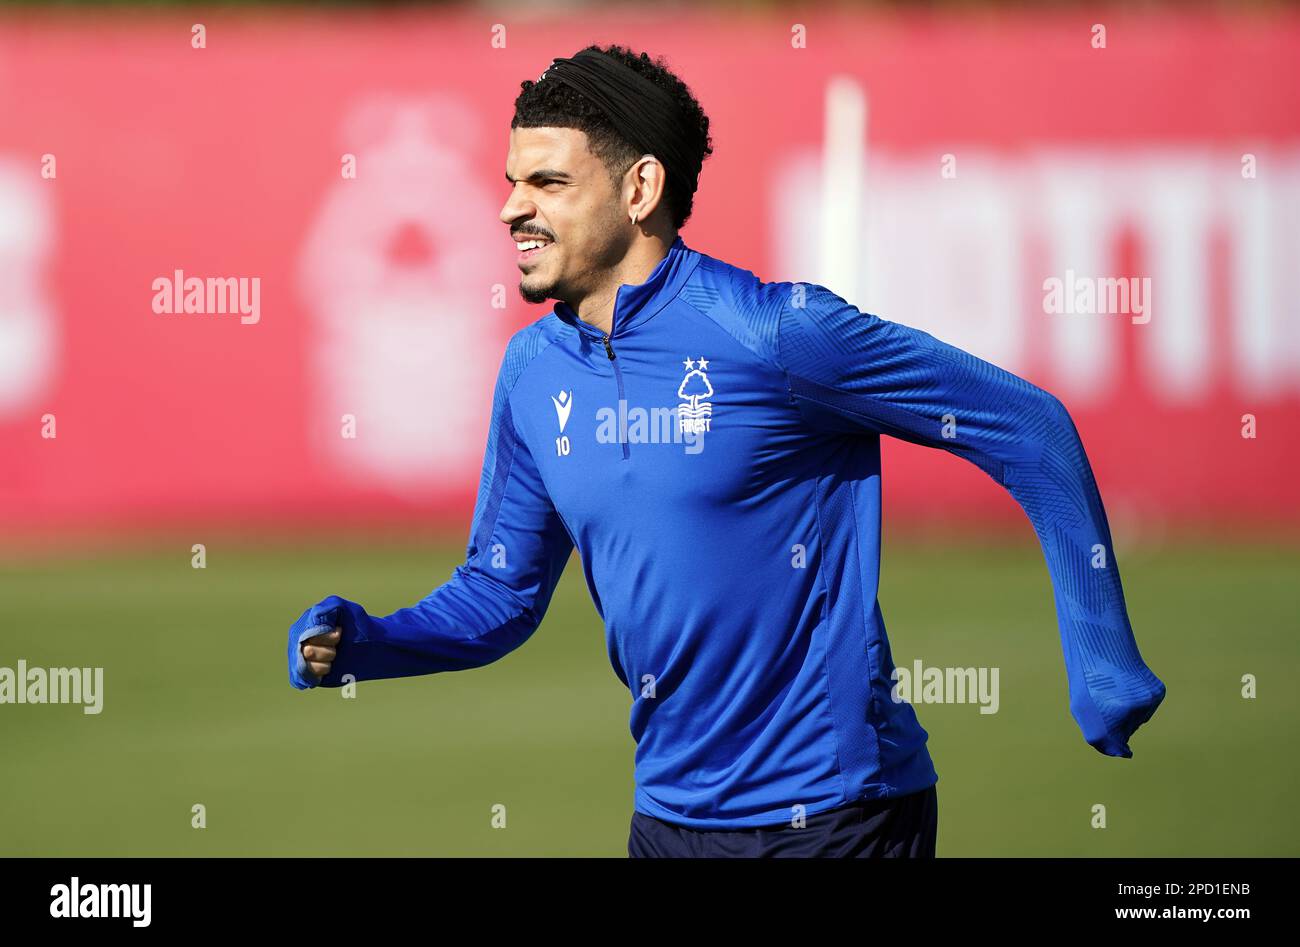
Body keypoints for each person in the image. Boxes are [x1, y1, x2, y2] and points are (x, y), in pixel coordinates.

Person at [286, 44, 1165, 858]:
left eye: (548, 182)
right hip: (669, 819)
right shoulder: (529, 371)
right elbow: (499, 591)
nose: (513, 207)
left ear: (640, 188)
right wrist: (369, 641)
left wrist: (1103, 653)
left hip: (841, 816)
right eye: (513, 181)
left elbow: (1028, 428)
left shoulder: (779, 334)